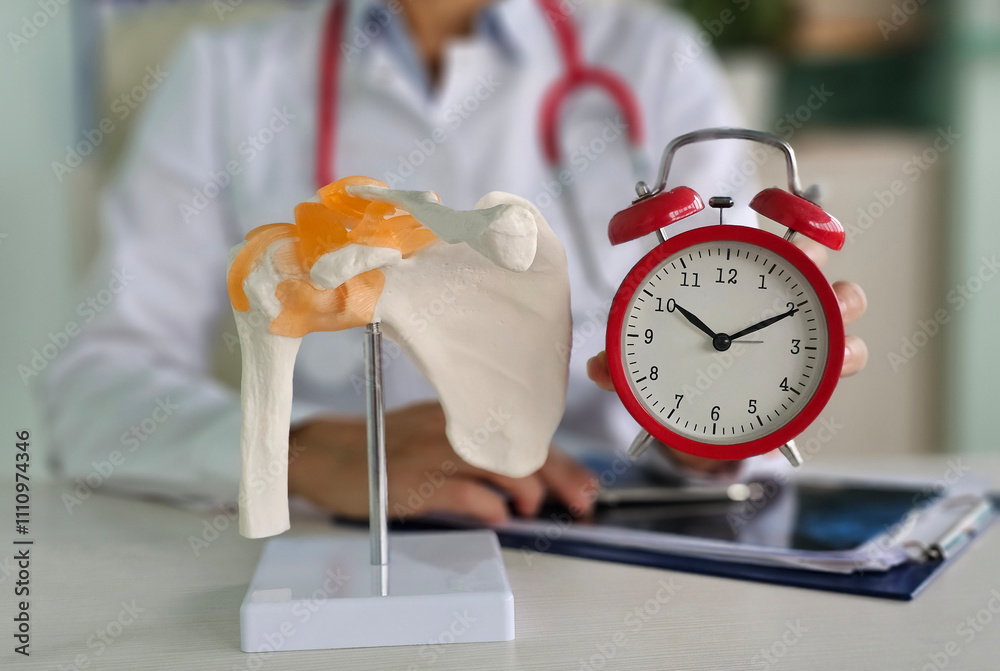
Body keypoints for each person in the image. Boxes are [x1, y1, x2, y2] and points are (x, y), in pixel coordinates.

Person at [44, 0, 867, 525]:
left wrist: (723, 422)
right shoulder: (228, 76)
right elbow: (93, 385)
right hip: (345, 532)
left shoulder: (651, 57)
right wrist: (295, 447)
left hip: (609, 515)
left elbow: (727, 345)